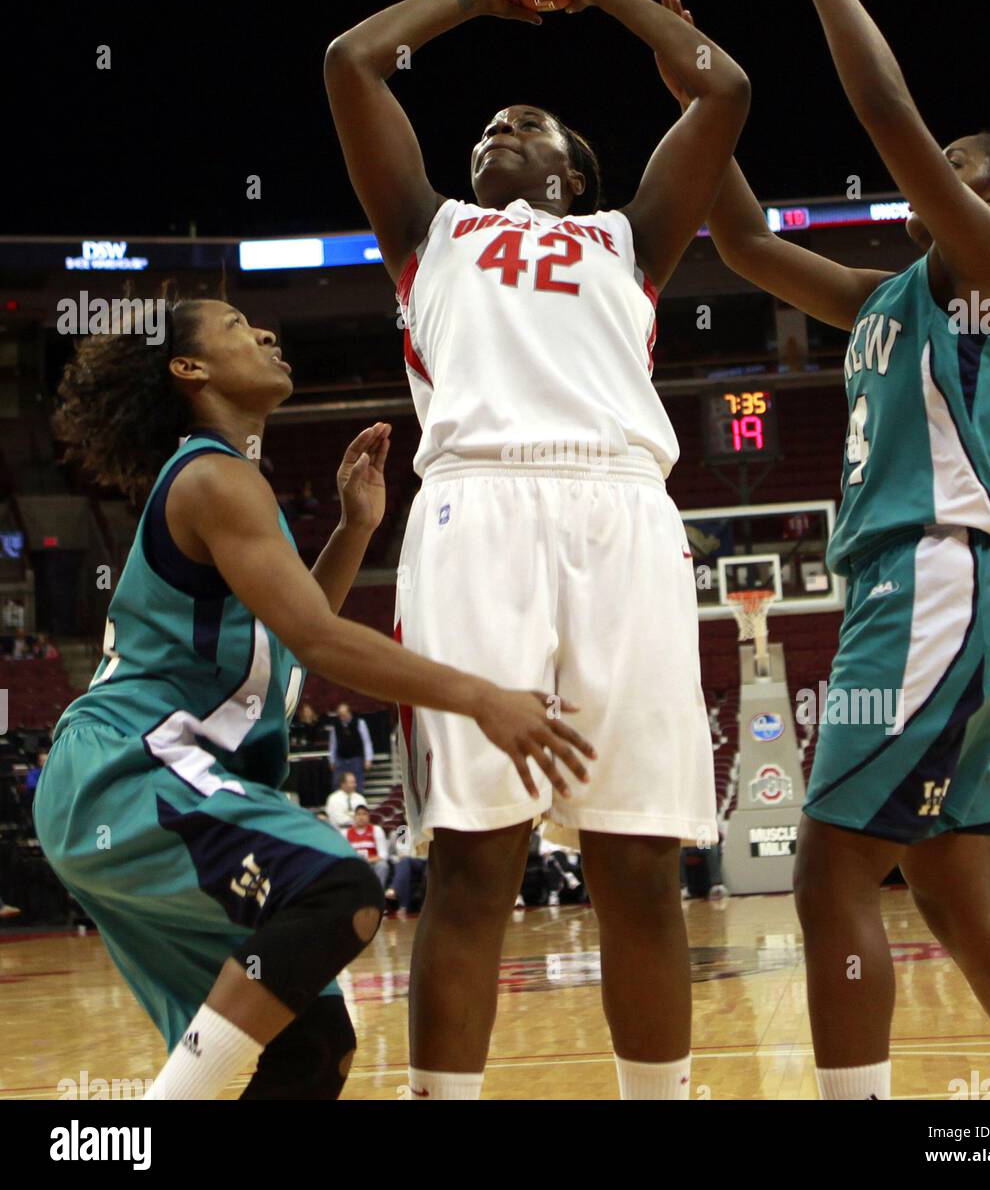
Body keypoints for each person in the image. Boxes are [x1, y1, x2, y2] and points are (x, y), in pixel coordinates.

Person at [648, 0, 990, 1102]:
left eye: (966, 168)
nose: (937, 172)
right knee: (955, 896)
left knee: (829, 872)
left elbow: (886, 114)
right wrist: (692, 93)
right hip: (949, 593)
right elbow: (736, 237)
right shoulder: (887, 297)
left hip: (935, 587)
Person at [325, 0, 750, 1100]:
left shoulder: (632, 238)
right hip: (479, 513)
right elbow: (349, 62)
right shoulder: (431, 229)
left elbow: (723, 96)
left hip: (624, 512)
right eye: (488, 124)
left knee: (639, 866)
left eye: (528, 120)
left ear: (573, 173)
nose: (499, 127)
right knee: (472, 863)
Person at [35, 294, 593, 1101]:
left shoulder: (229, 481)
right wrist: (482, 697)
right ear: (187, 369)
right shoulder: (213, 478)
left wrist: (353, 530)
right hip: (130, 767)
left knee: (317, 1044)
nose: (265, 330)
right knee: (337, 888)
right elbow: (325, 644)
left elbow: (293, 638)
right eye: (234, 328)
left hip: (118, 786)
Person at [325, 701, 373, 793]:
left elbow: (366, 742)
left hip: (356, 759)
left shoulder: (359, 723)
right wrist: (332, 760)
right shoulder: (336, 726)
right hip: (341, 760)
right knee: (336, 785)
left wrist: (368, 759)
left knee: (357, 785)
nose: (342, 717)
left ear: (349, 713)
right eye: (340, 714)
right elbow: (333, 744)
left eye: (344, 714)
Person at [346, 805, 391, 891]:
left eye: (364, 814)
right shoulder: (346, 832)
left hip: (372, 863)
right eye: (358, 814)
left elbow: (383, 854)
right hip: (354, 864)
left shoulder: (376, 830)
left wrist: (368, 860)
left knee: (383, 865)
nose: (361, 817)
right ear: (354, 817)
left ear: (368, 817)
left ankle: (378, 893)